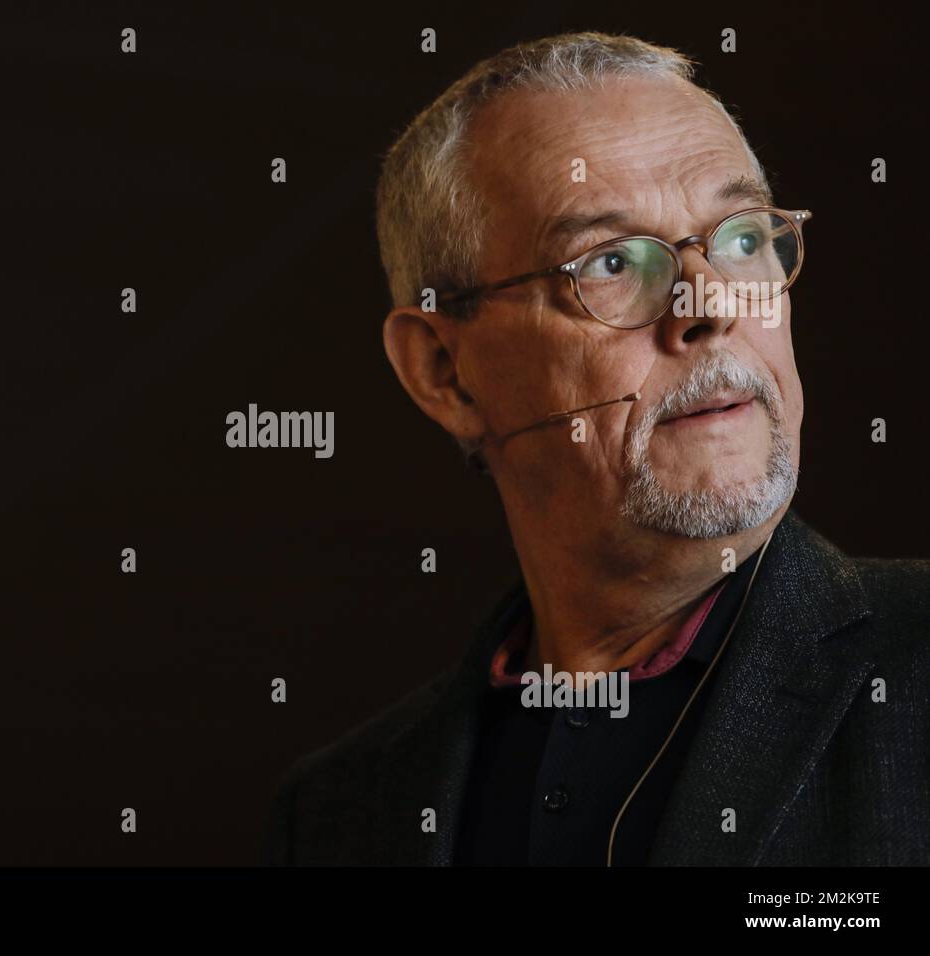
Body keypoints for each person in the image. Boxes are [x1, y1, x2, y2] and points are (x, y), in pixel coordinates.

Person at [262, 32, 930, 866]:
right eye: (612, 261)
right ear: (445, 373)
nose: (711, 304)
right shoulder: (336, 818)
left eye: (742, 238)